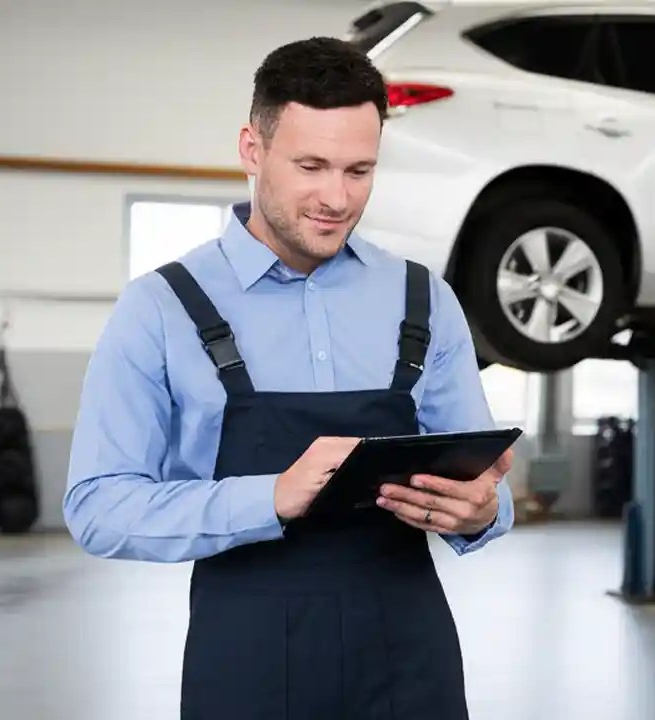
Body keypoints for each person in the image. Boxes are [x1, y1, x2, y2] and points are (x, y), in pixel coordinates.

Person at [62, 36, 514, 719]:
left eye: (359, 171)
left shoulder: (424, 299)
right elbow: (97, 506)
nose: (336, 197)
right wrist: (266, 497)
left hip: (408, 655)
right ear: (252, 149)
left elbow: (483, 487)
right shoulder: (160, 308)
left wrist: (481, 512)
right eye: (311, 166)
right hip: (247, 660)